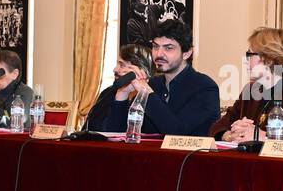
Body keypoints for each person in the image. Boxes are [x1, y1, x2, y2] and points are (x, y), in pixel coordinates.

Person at [91, 19, 219, 136]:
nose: (159, 54)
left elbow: (177, 132)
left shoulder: (205, 87)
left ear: (187, 53)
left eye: (168, 48)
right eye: (155, 46)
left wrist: (146, 92)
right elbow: (118, 135)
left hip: (188, 160)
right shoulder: (153, 85)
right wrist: (122, 94)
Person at [210, 27, 283, 146]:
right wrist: (231, 135)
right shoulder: (250, 90)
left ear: (269, 58)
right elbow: (217, 127)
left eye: (250, 54)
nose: (245, 60)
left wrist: (266, 136)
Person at [84, 43, 153, 131]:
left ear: (140, 70)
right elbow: (88, 128)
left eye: (122, 65)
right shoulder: (108, 92)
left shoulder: (151, 99)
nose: (115, 69)